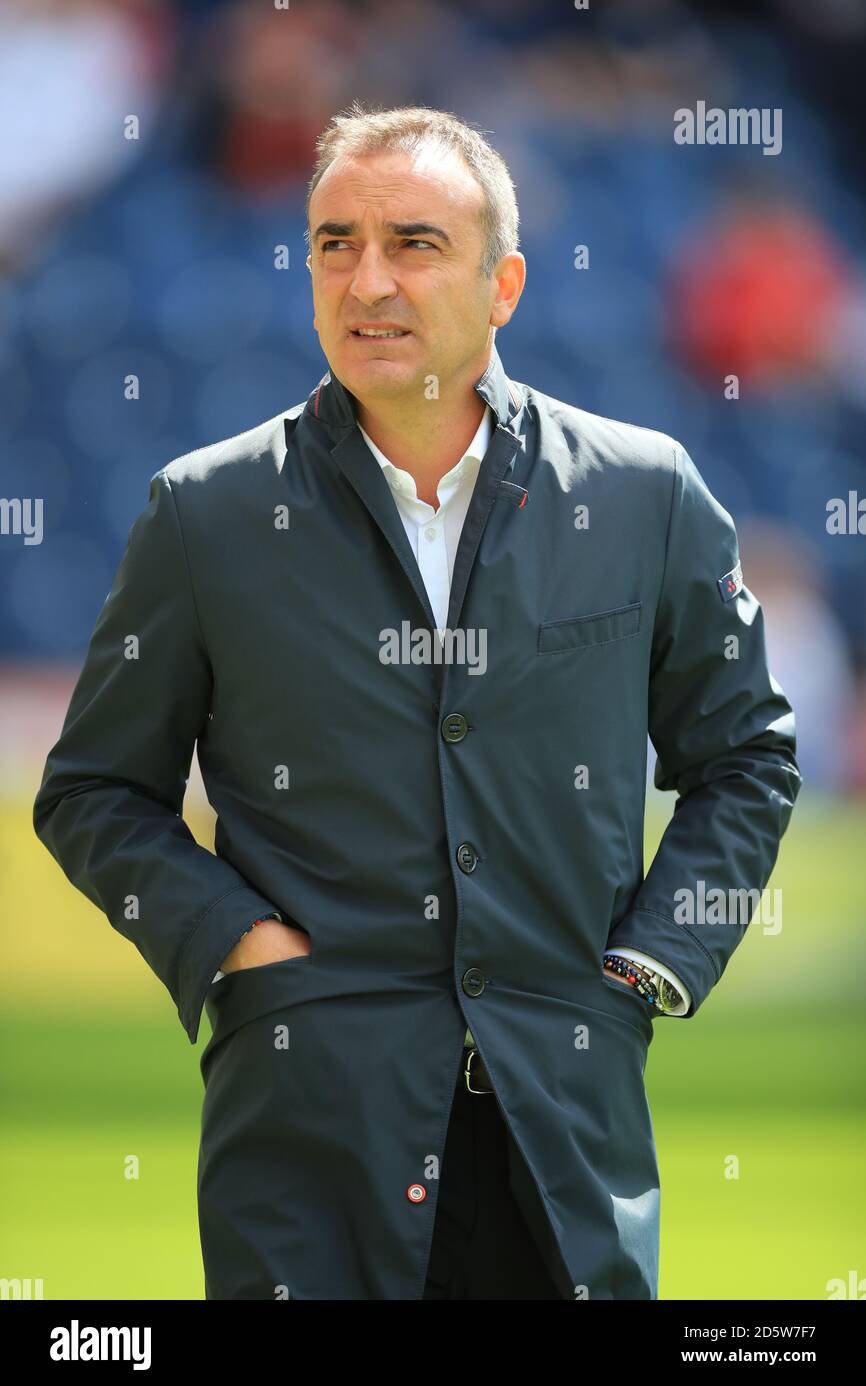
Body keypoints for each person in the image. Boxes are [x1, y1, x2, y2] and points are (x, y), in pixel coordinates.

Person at [32, 102, 801, 1301]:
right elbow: (91, 791)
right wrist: (237, 946)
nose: (366, 280)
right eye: (334, 243)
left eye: (413, 243)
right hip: (307, 1146)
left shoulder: (646, 494)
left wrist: (655, 961)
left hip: (566, 1139)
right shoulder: (205, 513)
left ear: (503, 285)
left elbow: (745, 756)